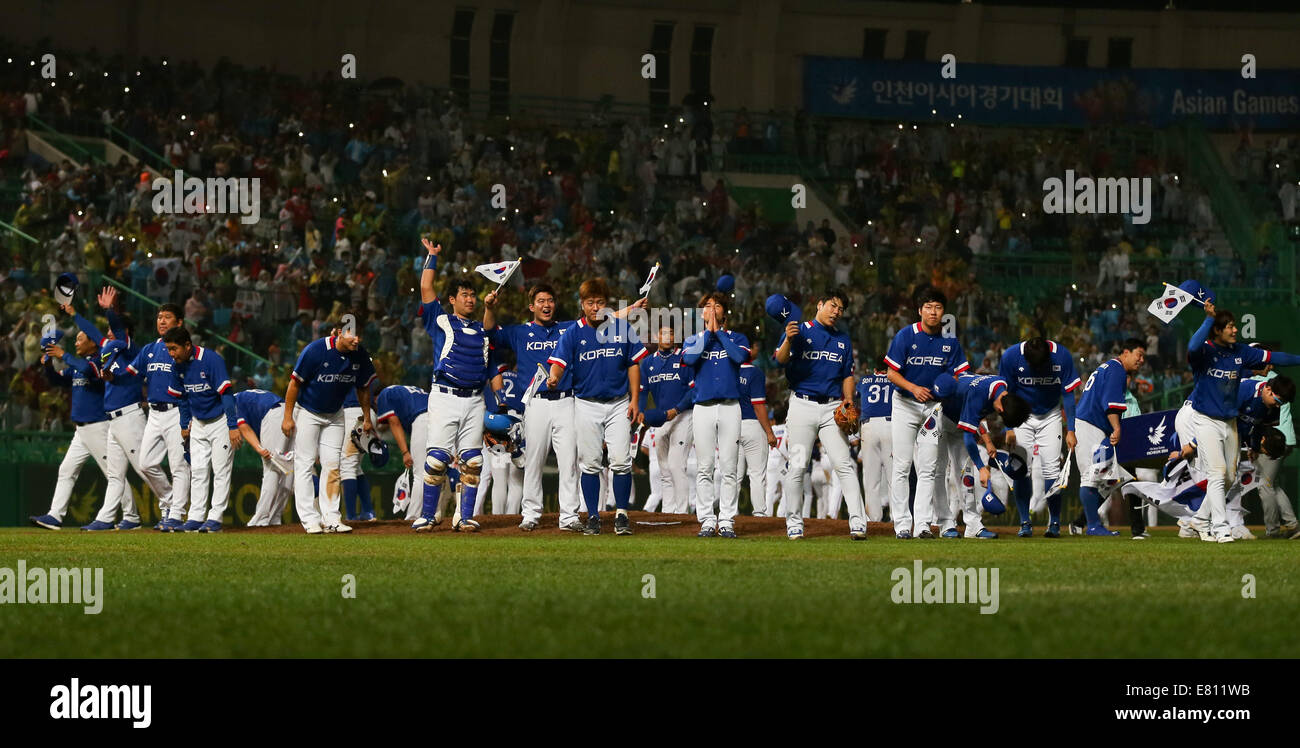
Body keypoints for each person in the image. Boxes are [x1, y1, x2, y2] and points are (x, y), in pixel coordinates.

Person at [1183, 304, 1300, 542]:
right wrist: (1208, 319)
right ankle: (1220, 528)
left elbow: (1277, 357)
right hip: (1205, 419)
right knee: (1217, 473)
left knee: (1228, 477)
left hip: (1229, 422)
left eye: (1234, 325)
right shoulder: (1204, 351)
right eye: (1229, 326)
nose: (1235, 329)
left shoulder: (1241, 352)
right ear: (1217, 331)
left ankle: (1198, 520)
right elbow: (1192, 346)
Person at [546, 277, 647, 536]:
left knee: (621, 461)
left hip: (619, 403)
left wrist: (635, 400)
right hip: (586, 404)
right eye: (590, 302)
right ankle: (593, 516)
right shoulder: (573, 332)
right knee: (590, 463)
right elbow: (558, 362)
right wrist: (554, 376)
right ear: (582, 304)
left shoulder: (622, 328)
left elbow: (634, 364)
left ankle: (621, 515)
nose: (595, 307)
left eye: (600, 302)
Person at [482, 283, 584, 532]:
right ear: (531, 306)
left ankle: (569, 516)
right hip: (536, 403)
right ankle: (530, 513)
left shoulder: (568, 329)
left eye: (550, 300)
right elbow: (490, 333)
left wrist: (631, 309)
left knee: (569, 461)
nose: (546, 305)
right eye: (541, 301)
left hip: (566, 401)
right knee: (534, 461)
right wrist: (489, 308)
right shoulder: (519, 332)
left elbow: (598, 320)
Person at [773, 288, 868, 541]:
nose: (836, 312)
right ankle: (794, 523)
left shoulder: (843, 340)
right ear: (819, 305)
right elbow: (779, 360)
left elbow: (847, 374)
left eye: (841, 309)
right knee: (797, 466)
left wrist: (849, 400)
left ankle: (858, 523)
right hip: (802, 405)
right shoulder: (799, 329)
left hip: (831, 408)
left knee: (845, 465)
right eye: (833, 306)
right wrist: (788, 339)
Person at [411, 238, 489, 533]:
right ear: (453, 300)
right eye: (464, 295)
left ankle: (465, 516)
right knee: (437, 460)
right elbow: (426, 289)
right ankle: (429, 515)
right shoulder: (441, 321)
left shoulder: (483, 329)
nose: (470, 299)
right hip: (444, 396)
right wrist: (432, 257)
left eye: (473, 295)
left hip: (475, 399)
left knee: (473, 460)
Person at [884, 287, 969, 539]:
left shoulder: (950, 341)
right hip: (905, 404)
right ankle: (901, 524)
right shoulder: (905, 335)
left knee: (929, 467)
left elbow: (960, 375)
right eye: (929, 307)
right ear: (919, 310)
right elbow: (891, 372)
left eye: (938, 307)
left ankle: (922, 524)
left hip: (933, 408)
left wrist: (949, 385)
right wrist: (913, 387)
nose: (933, 311)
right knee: (901, 465)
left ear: (944, 312)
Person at [283, 325, 377, 535]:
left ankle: (332, 518)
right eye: (352, 333)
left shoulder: (359, 355)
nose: (356, 339)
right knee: (305, 464)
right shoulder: (315, 351)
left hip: (335, 414)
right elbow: (294, 384)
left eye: (359, 334)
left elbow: (363, 388)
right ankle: (310, 519)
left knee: (333, 465)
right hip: (308, 412)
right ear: (338, 332)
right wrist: (288, 417)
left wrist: (368, 418)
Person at [923, 373, 1031, 539]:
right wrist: (981, 467)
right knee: (939, 471)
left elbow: (976, 414)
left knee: (965, 473)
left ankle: (973, 524)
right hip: (939, 416)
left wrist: (987, 441)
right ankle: (945, 524)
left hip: (959, 420)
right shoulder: (979, 394)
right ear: (1001, 409)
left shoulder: (1001, 386)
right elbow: (968, 435)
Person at [681, 292, 750, 538]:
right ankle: (707, 520)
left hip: (731, 406)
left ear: (724, 312)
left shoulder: (737, 337)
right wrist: (709, 334)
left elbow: (740, 357)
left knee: (729, 467)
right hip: (703, 407)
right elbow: (689, 359)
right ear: (701, 313)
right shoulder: (693, 340)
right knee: (705, 467)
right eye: (707, 306)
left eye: (717, 305)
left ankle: (727, 519)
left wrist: (717, 332)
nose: (712, 309)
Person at [28, 330, 112, 531]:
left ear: (93, 343)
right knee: (66, 470)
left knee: (113, 474)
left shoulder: (99, 360)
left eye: (80, 339)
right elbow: (57, 380)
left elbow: (87, 369)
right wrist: (48, 365)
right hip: (81, 430)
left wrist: (63, 355)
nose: (76, 343)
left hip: (97, 426)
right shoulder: (77, 366)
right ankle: (55, 516)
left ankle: (131, 516)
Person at [999, 336, 1081, 537]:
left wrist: (1071, 429)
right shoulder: (1010, 356)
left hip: (1050, 414)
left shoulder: (1061, 356)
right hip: (1021, 416)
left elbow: (1069, 395)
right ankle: (1024, 522)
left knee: (1052, 469)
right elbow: (1004, 394)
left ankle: (1054, 522)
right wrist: (1008, 427)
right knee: (1020, 469)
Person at [163, 326, 240, 533]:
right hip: (198, 423)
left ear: (188, 345)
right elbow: (182, 398)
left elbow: (226, 393)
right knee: (197, 471)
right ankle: (196, 516)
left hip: (220, 421)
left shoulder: (211, 360)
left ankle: (215, 517)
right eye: (169, 349)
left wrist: (233, 426)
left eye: (174, 348)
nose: (171, 354)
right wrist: (184, 424)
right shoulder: (177, 365)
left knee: (221, 470)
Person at [1072, 337, 1147, 537]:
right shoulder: (1117, 369)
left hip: (1092, 425)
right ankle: (1093, 525)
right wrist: (1116, 428)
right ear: (1125, 352)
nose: (1141, 360)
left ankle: (1084, 522)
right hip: (1090, 425)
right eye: (1139, 355)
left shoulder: (1110, 367)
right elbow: (1110, 403)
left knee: (1115, 477)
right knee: (1090, 477)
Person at [124, 302, 190, 529]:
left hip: (176, 412)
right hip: (154, 413)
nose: (161, 321)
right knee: (145, 464)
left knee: (178, 466)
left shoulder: (184, 350)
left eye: (167, 317)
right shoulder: (149, 349)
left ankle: (175, 514)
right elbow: (129, 374)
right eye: (159, 317)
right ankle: (171, 501)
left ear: (179, 323)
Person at [637, 324, 695, 515]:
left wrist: (677, 409)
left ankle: (682, 512)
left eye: (671, 332)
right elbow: (643, 392)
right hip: (661, 418)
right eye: (663, 333)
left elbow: (693, 389)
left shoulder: (685, 358)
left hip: (683, 415)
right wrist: (642, 412)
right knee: (664, 468)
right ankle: (669, 511)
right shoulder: (647, 363)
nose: (667, 336)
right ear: (656, 336)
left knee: (676, 465)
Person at [235, 388, 294, 526]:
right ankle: (274, 516)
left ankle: (261, 518)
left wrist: (259, 448)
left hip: (272, 415)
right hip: (286, 411)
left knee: (271, 469)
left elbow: (244, 427)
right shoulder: (242, 396)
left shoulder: (229, 402)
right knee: (288, 468)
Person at [374, 384, 432, 520]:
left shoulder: (384, 394)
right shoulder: (407, 390)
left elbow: (394, 422)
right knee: (437, 470)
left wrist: (405, 452)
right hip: (441, 416)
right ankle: (435, 512)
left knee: (419, 475)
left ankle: (413, 517)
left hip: (423, 419)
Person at [479, 350, 526, 515]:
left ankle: (497, 518)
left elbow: (485, 406)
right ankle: (512, 518)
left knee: (499, 481)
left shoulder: (494, 379)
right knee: (516, 481)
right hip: (518, 423)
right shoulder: (524, 380)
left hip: (498, 423)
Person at [735, 361, 777, 517]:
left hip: (731, 425)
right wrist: (769, 433)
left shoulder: (727, 371)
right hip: (752, 424)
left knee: (733, 475)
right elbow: (758, 406)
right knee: (757, 474)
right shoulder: (755, 372)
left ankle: (729, 514)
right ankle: (759, 514)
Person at [855, 357, 893, 522]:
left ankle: (873, 519)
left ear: (875, 369)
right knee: (894, 477)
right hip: (890, 426)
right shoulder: (895, 381)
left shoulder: (864, 380)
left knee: (871, 478)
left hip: (868, 427)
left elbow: (857, 396)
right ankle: (898, 519)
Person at [341, 375, 382, 521]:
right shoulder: (364, 366)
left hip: (353, 414)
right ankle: (368, 512)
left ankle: (351, 516)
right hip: (369, 414)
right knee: (356, 466)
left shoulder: (343, 364)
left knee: (347, 465)